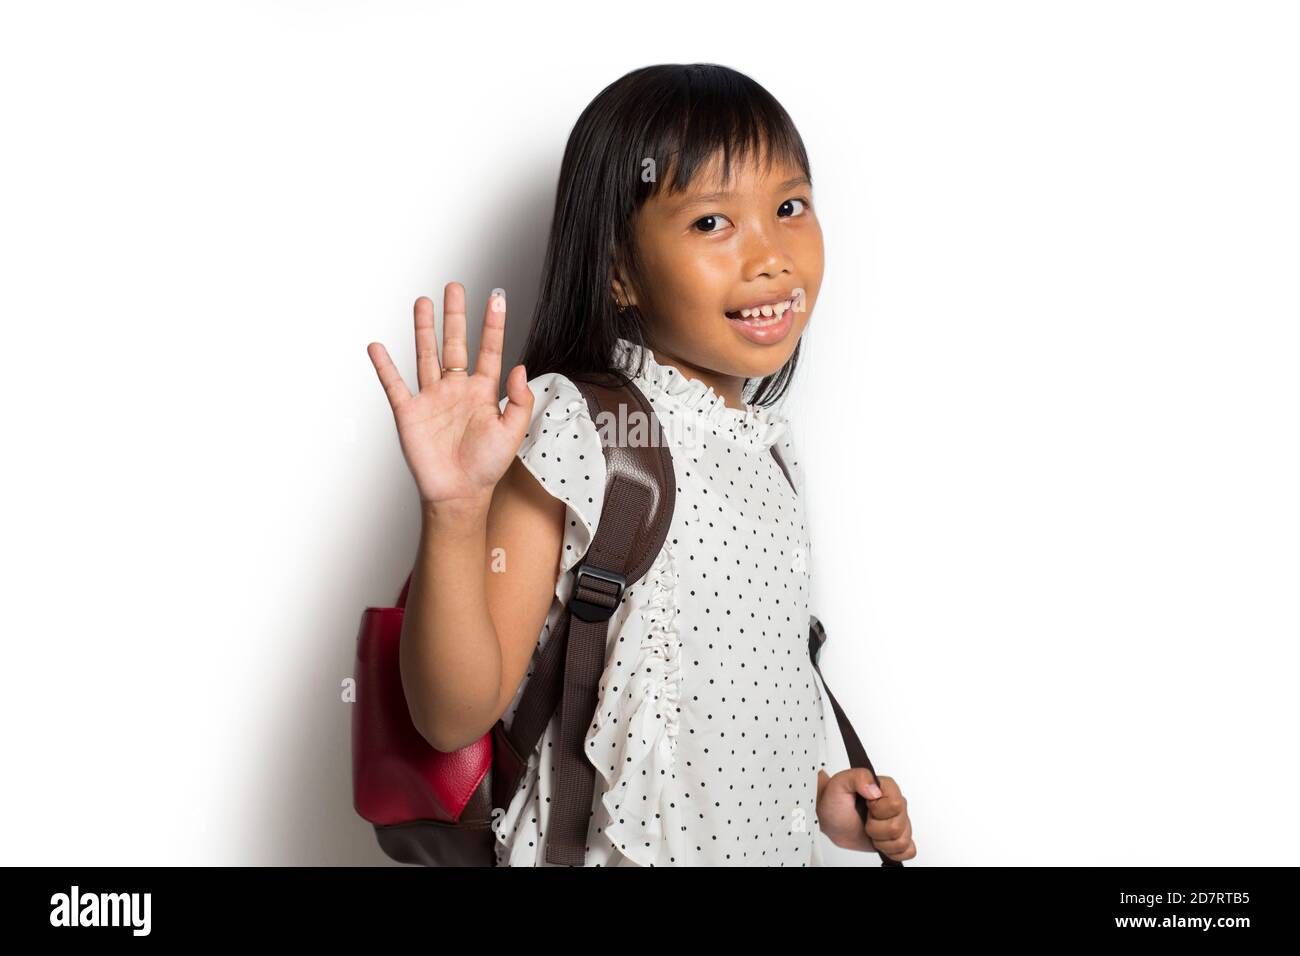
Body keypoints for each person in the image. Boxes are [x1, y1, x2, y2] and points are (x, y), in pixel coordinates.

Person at [366, 63, 916, 866]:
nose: (770, 254)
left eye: (789, 207)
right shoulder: (586, 432)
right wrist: (455, 513)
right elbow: (450, 717)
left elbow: (725, 705)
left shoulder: (769, 451)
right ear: (618, 267)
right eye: (710, 223)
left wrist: (821, 796)